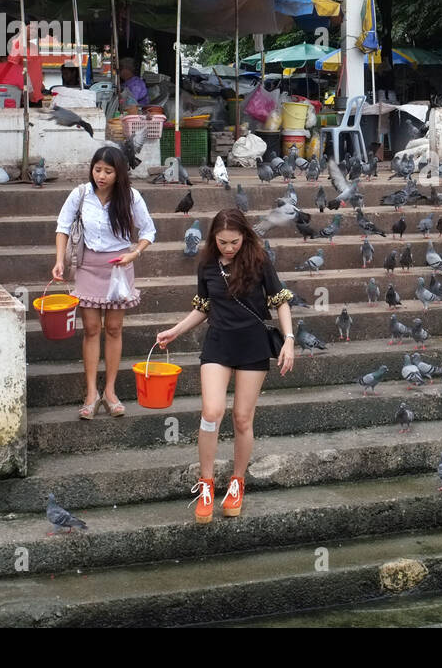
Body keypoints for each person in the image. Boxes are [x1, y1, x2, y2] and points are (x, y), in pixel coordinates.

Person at [155, 209, 295, 523]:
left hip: (252, 345)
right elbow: (204, 307)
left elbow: (280, 300)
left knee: (242, 419)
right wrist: (175, 331)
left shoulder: (259, 261)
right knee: (211, 412)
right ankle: (206, 485)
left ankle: (236, 483)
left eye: (234, 242)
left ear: (244, 237)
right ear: (213, 239)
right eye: (222, 242)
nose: (228, 247)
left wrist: (289, 339)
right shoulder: (206, 264)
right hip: (218, 344)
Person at [53, 146, 157, 420]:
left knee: (113, 328)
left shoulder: (131, 197)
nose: (101, 175)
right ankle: (91, 393)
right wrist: (60, 260)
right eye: (97, 169)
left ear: (118, 173)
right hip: (87, 265)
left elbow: (149, 231)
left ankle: (110, 392)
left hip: (118, 268)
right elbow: (62, 226)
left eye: (108, 171)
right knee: (90, 329)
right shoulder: (80, 194)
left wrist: (133, 253)